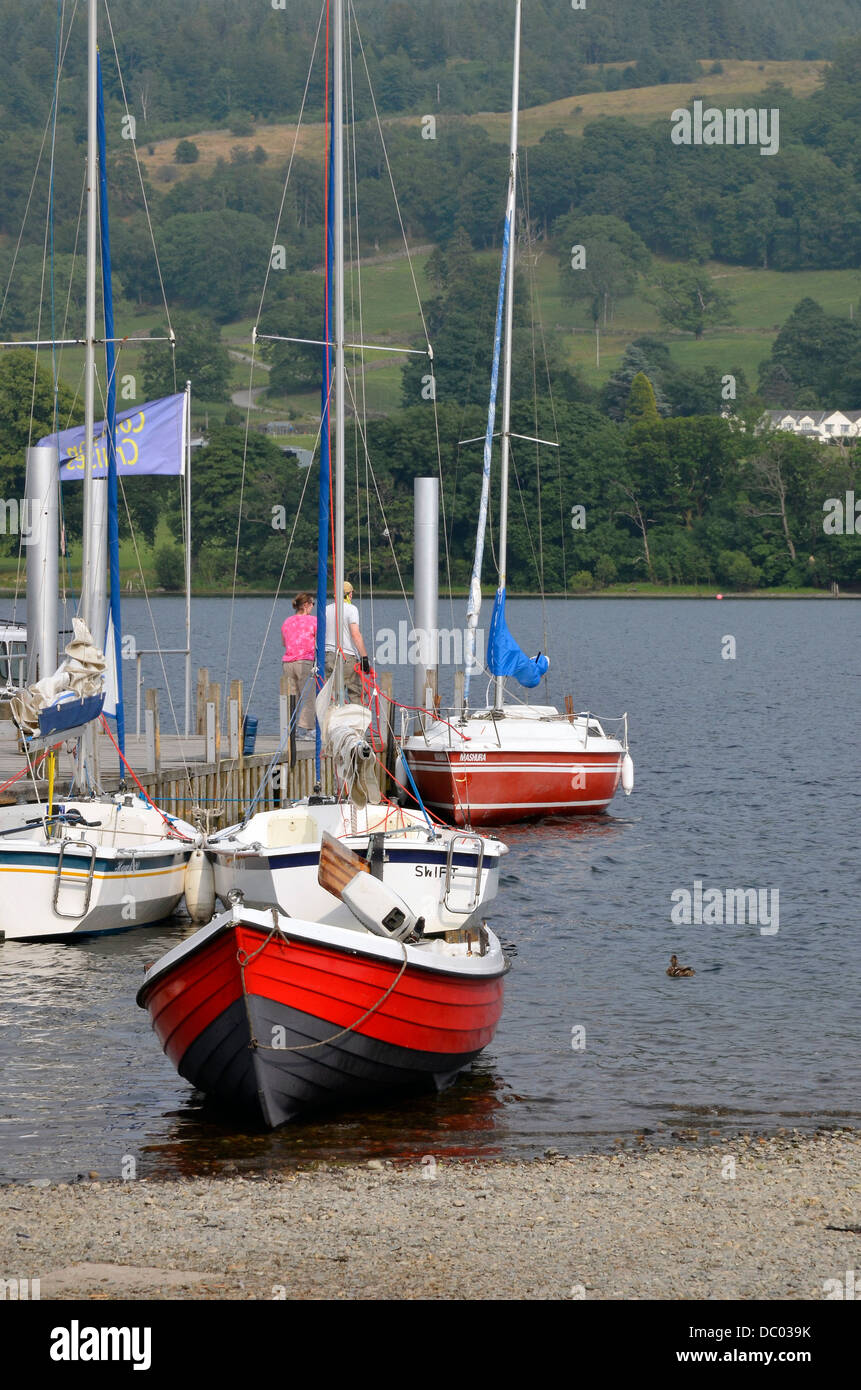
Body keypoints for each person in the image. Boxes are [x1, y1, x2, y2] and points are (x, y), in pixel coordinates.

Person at [325, 580, 370, 703]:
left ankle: (331, 721)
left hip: (328, 656)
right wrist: (364, 658)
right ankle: (357, 722)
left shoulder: (326, 609)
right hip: (347, 657)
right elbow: (355, 635)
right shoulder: (351, 609)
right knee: (356, 693)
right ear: (349, 594)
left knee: (331, 696)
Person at [281, 592, 317, 737]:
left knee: (291, 697)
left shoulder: (287, 621)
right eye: (312, 604)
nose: (313, 607)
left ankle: (291, 729)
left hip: (288, 662)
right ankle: (309, 729)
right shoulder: (314, 621)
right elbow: (320, 641)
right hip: (305, 661)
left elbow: (284, 642)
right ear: (306, 605)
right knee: (310, 696)